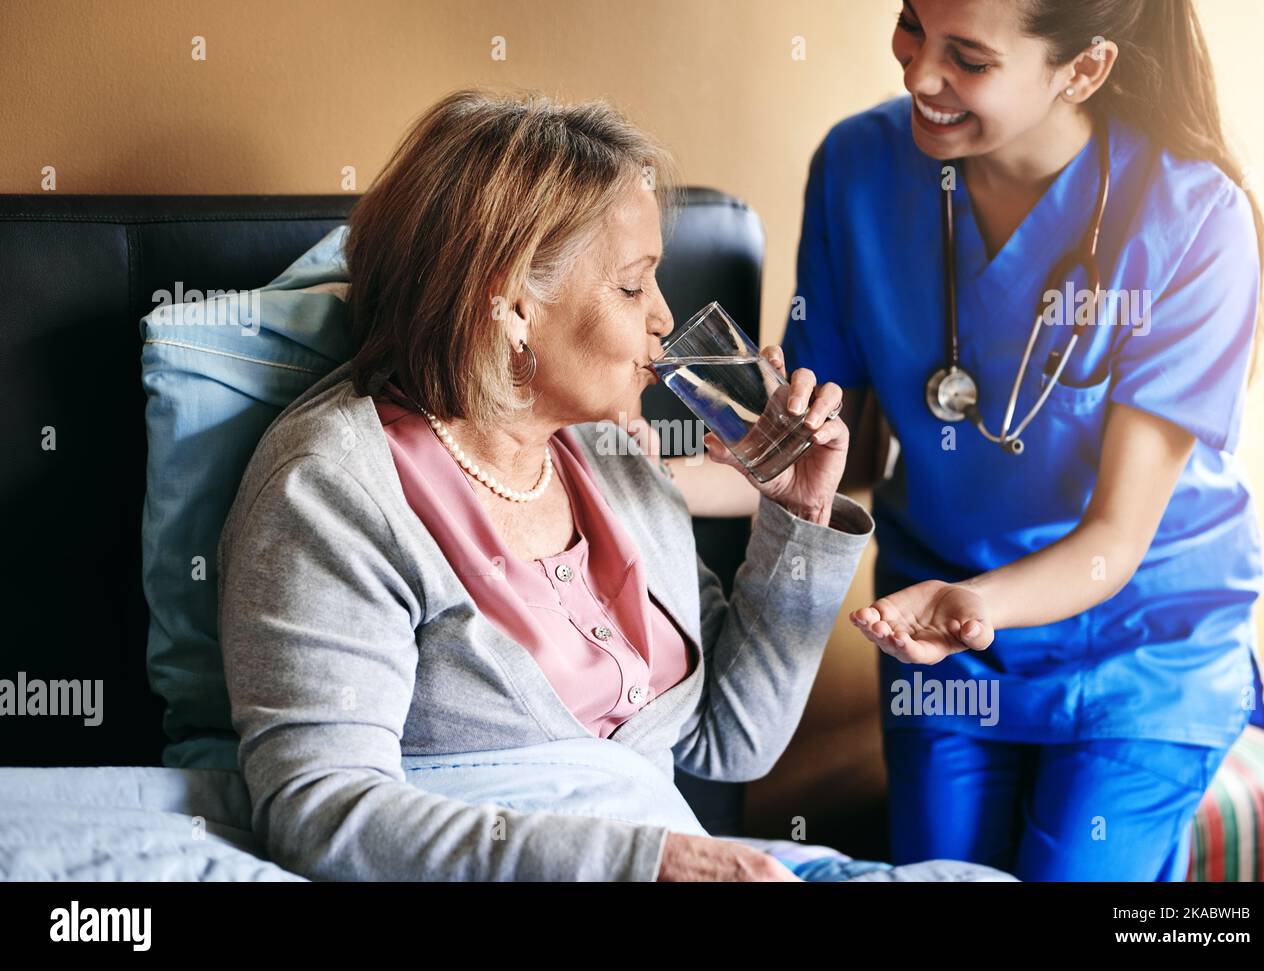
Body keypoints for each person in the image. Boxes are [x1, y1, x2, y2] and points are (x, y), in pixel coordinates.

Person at [217, 88, 1015, 882]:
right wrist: (644, 862)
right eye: (634, 287)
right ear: (513, 305)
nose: (666, 319)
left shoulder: (608, 457)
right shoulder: (334, 489)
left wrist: (794, 516)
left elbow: (730, 740)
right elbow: (322, 809)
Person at [663, 0, 1264, 881]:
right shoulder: (859, 169)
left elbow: (1115, 539)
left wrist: (974, 605)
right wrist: (617, 472)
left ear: (1084, 69)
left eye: (968, 57)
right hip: (941, 634)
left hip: (1140, 640)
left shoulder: (1191, 218)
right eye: (912, 23)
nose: (917, 74)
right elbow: (825, 456)